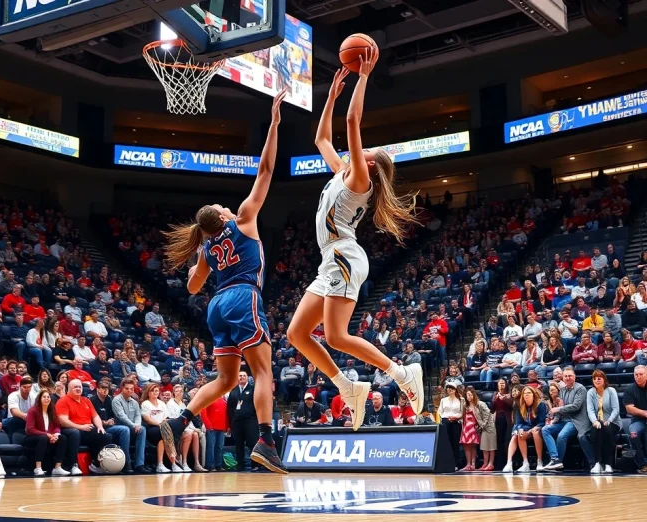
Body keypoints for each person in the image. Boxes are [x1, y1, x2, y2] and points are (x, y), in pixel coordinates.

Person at [285, 57, 423, 435]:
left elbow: (351, 124)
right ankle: (348, 386)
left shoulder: (360, 178)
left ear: (371, 165)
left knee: (335, 336)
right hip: (331, 260)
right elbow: (322, 139)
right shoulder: (342, 172)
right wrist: (329, 98)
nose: (360, 151)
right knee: (296, 334)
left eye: (367, 151)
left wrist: (363, 77)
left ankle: (401, 373)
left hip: (344, 257)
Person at [162, 90, 287, 474]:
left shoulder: (206, 249)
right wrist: (274, 124)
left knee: (227, 378)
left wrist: (196, 266)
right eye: (221, 206)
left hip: (216, 305)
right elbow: (265, 170)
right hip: (242, 296)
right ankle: (267, 439)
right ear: (222, 214)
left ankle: (180, 419)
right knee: (265, 372)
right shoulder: (244, 219)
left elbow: (192, 289)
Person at [56, 379, 113, 475]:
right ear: (68, 389)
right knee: (75, 433)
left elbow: (95, 416)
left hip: (86, 429)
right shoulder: (63, 401)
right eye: (75, 387)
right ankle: (73, 465)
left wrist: (100, 427)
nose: (78, 388)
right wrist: (81, 427)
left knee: (106, 436)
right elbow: (63, 422)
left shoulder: (86, 400)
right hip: (70, 429)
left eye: (80, 387)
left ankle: (95, 463)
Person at [541, 367, 593, 471]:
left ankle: (558, 462)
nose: (568, 378)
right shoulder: (562, 390)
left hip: (576, 420)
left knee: (562, 435)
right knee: (545, 429)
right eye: (566, 376)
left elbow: (575, 406)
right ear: (562, 378)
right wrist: (555, 419)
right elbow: (561, 409)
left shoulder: (580, 388)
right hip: (563, 420)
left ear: (575, 377)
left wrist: (559, 408)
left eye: (570, 376)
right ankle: (555, 459)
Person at [90, 378, 138, 474]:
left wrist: (112, 420)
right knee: (124, 429)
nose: (105, 390)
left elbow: (114, 415)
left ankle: (125, 462)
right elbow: (91, 418)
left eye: (107, 388)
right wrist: (104, 422)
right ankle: (127, 463)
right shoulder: (92, 400)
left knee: (125, 430)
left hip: (110, 427)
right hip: (98, 428)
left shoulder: (109, 399)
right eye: (102, 388)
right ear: (97, 389)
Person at [24, 389, 71, 476]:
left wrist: (56, 434)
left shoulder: (52, 410)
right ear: (39, 399)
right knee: (43, 438)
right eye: (44, 397)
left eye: (48, 397)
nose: (47, 399)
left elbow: (57, 425)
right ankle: (38, 468)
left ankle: (57, 467)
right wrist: (47, 435)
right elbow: (30, 429)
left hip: (48, 436)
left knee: (62, 438)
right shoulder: (32, 411)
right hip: (31, 437)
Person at [140, 382, 184, 473]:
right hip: (151, 428)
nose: (155, 393)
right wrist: (159, 424)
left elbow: (166, 418)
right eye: (153, 391)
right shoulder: (145, 404)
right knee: (162, 434)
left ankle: (171, 463)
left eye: (156, 391)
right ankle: (165, 464)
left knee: (165, 435)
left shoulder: (162, 403)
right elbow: (147, 419)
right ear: (148, 393)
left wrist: (163, 425)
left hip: (162, 427)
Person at [503, 386, 547, 473]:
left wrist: (534, 428)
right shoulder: (520, 405)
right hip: (526, 428)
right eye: (524, 393)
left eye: (529, 393)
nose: (526, 395)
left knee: (535, 432)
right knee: (519, 434)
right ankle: (522, 463)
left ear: (533, 395)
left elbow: (542, 421)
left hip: (537, 428)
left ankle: (539, 461)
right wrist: (520, 429)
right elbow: (519, 422)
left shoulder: (540, 404)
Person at [112, 378, 149, 474]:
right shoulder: (116, 400)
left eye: (131, 389)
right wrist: (134, 425)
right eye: (127, 388)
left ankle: (139, 464)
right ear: (122, 388)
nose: (129, 391)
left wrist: (137, 425)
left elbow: (138, 416)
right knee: (125, 429)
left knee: (142, 429)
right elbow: (122, 416)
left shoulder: (135, 402)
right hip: (117, 427)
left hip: (131, 427)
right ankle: (126, 463)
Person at [586, 370, 620, 474]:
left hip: (613, 422)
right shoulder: (590, 392)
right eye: (594, 378)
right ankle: (597, 463)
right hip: (598, 422)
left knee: (607, 431)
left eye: (599, 378)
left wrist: (609, 420)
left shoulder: (611, 391)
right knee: (596, 431)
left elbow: (616, 409)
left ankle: (608, 464)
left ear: (604, 380)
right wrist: (595, 421)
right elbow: (590, 410)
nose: (597, 380)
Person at [227, 371, 260, 471]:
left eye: (244, 376)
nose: (242, 377)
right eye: (240, 376)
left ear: (247, 378)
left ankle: (255, 464)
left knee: (252, 443)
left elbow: (257, 404)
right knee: (239, 444)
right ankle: (240, 465)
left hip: (250, 421)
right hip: (237, 422)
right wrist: (231, 420)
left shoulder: (253, 389)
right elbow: (230, 407)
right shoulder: (234, 390)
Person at [623, 365, 647, 473]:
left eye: (641, 374)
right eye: (636, 375)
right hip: (638, 420)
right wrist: (645, 413)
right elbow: (629, 409)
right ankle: (642, 464)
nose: (638, 377)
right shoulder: (629, 389)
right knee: (634, 434)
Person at [437, 383, 463, 468]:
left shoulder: (461, 400)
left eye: (451, 388)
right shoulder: (443, 400)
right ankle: (446, 463)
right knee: (446, 442)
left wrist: (455, 417)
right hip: (445, 421)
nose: (449, 390)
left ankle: (456, 463)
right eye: (448, 388)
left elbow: (462, 413)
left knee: (455, 443)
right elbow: (440, 412)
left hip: (456, 422)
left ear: (455, 390)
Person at [201, 395, 228, 472]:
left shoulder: (223, 400)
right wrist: (207, 424)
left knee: (219, 447)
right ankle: (210, 465)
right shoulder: (209, 398)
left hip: (221, 427)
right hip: (212, 427)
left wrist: (227, 426)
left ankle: (218, 465)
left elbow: (226, 414)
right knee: (211, 447)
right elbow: (203, 411)